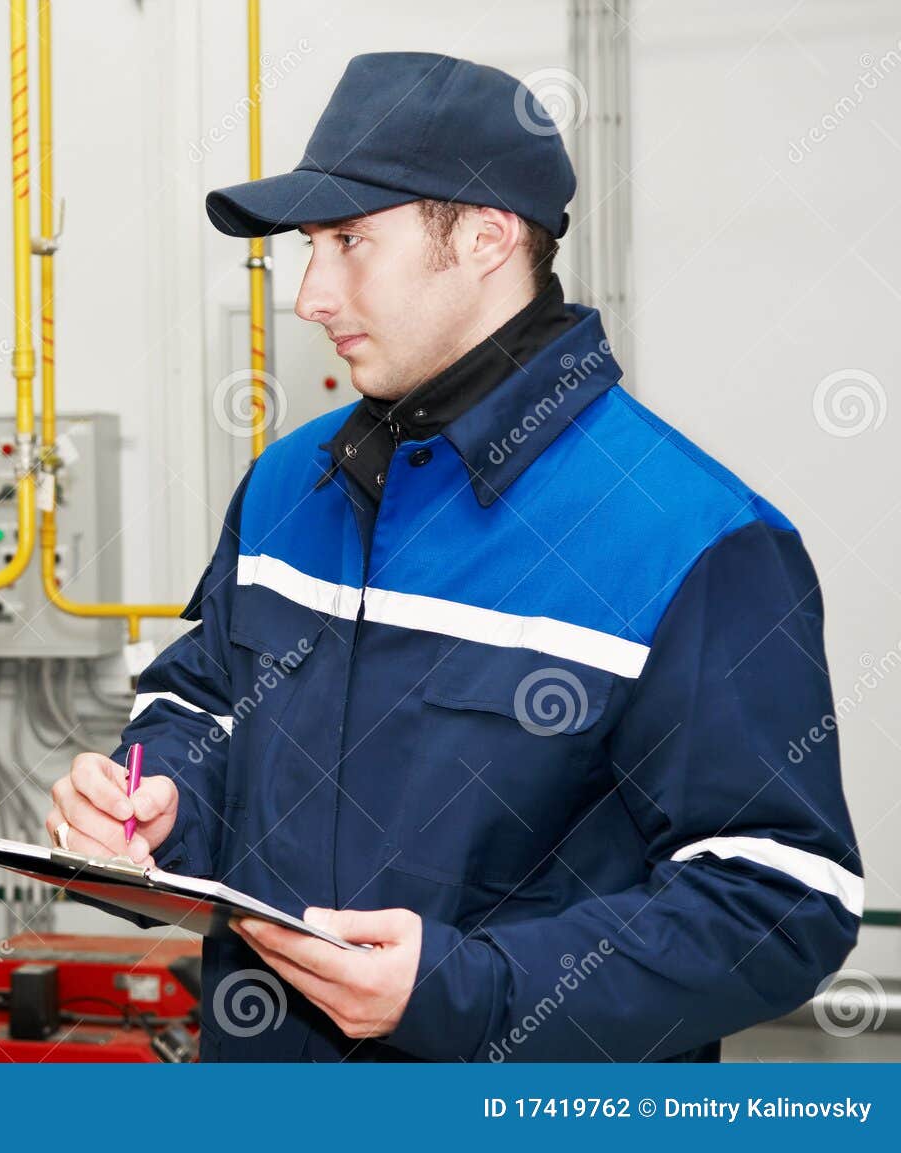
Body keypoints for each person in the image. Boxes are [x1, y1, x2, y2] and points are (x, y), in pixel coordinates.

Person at [45, 51, 861, 1062]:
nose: (310, 296)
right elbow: (203, 707)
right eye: (310, 248)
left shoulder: (692, 537)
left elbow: (780, 898)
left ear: (485, 237)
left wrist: (468, 992)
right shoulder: (286, 487)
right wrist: (152, 805)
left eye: (350, 242)